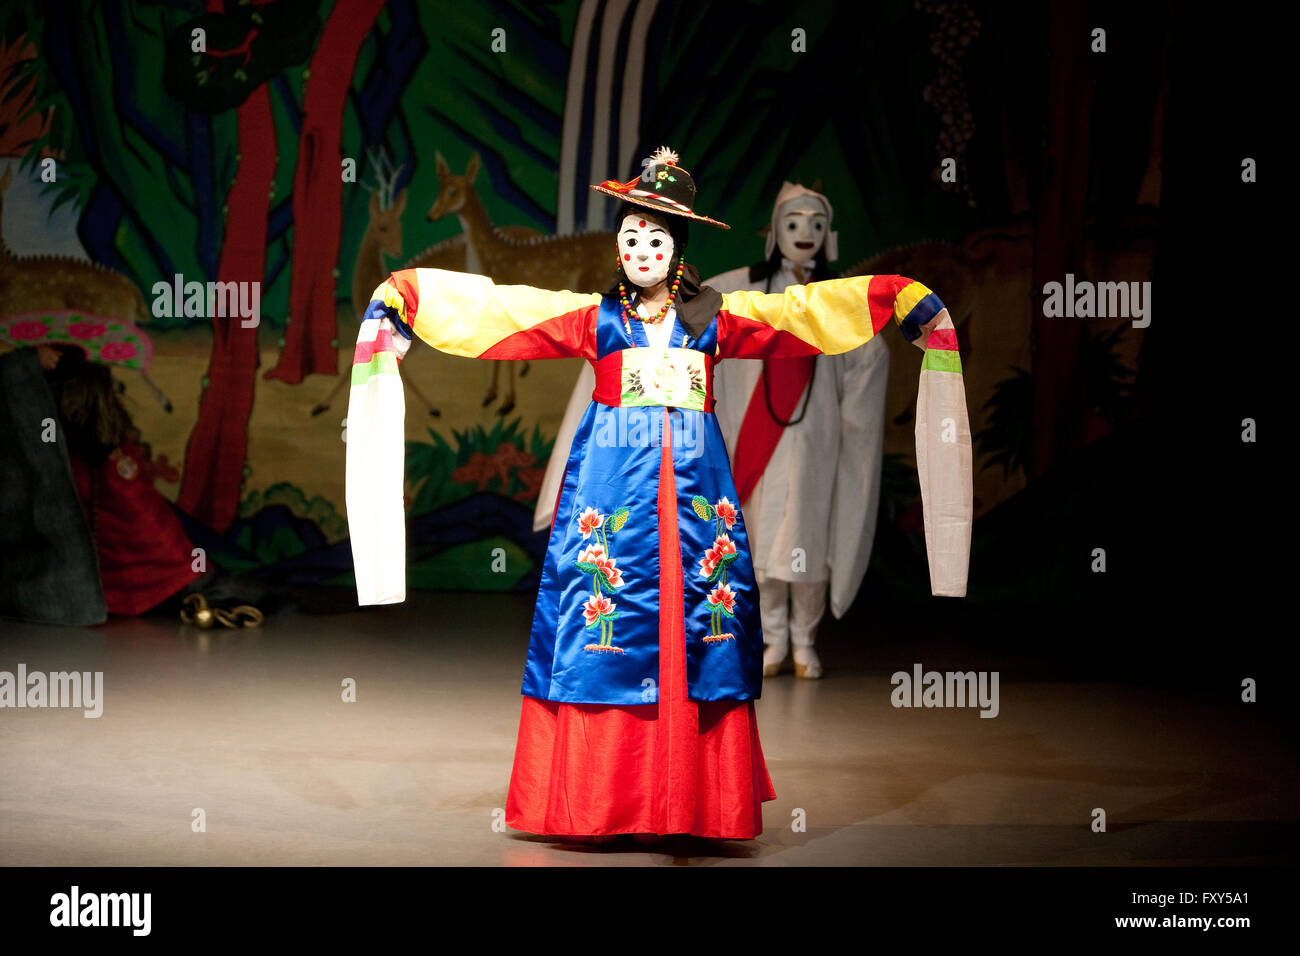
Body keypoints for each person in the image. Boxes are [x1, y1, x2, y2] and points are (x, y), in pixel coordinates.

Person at [345, 147, 972, 840]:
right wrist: (411, 296)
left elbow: (806, 312)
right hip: (612, 501)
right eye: (632, 238)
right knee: (604, 632)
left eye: (657, 239)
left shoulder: (716, 319)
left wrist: (894, 299)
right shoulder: (594, 319)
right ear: (620, 247)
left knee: (697, 634)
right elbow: (503, 311)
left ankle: (689, 802)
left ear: (678, 250)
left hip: (695, 507)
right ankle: (595, 803)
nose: (642, 249)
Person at [706, 182, 889, 679]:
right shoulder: (742, 291)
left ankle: (805, 641)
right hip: (757, 437)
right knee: (761, 545)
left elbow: (868, 359)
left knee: (808, 537)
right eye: (793, 223)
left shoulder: (841, 300)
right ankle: (771, 639)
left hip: (815, 439)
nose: (804, 233)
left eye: (815, 224)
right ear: (774, 233)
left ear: (828, 235)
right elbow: (700, 316)